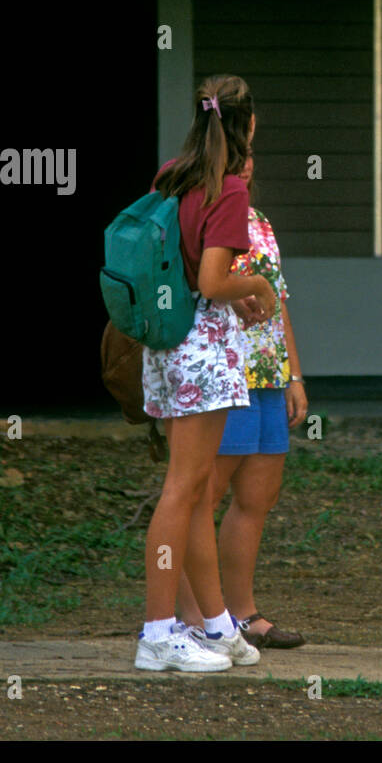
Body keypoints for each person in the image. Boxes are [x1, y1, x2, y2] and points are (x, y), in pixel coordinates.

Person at [134, 74, 278, 673]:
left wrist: (229, 290)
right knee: (180, 491)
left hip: (165, 344)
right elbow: (215, 280)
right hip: (204, 349)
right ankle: (158, 633)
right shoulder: (230, 188)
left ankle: (216, 625)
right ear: (248, 125)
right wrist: (259, 287)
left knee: (191, 489)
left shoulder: (173, 174)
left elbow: (179, 262)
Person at [175, 148, 309, 652]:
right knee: (202, 497)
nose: (247, 164)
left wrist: (294, 373)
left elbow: (279, 303)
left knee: (257, 497)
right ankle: (192, 615)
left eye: (251, 155)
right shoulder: (201, 212)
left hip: (269, 374)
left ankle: (242, 612)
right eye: (236, 155)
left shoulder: (260, 221)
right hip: (222, 375)